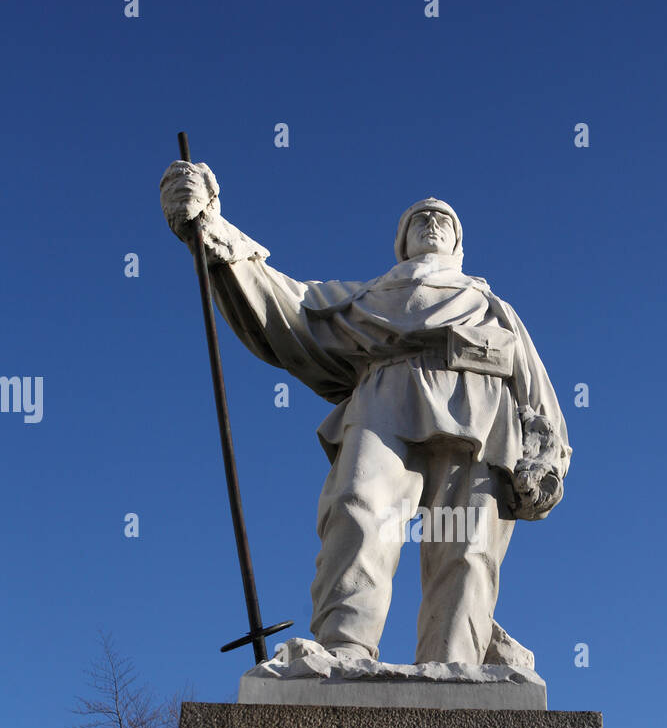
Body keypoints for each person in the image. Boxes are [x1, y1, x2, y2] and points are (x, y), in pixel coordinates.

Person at [160, 162, 570, 665]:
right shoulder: (365, 299)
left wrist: (546, 455)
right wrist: (209, 227)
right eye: (420, 218)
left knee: (465, 543)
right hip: (385, 401)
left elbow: (535, 389)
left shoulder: (494, 308)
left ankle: (456, 662)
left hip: (481, 418)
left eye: (444, 220)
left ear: (459, 246)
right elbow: (286, 305)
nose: (433, 222)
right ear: (402, 241)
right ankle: (343, 649)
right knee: (358, 508)